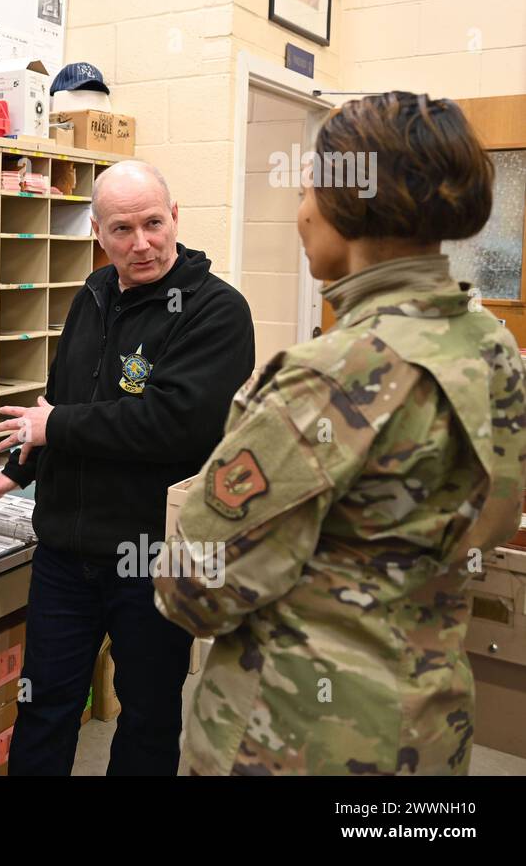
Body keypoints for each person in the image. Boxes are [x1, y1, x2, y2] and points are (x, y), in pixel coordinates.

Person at [154, 91, 526, 775]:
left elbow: (194, 588)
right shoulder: (494, 350)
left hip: (296, 742)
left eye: (305, 192)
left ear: (346, 207)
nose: (299, 215)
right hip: (428, 731)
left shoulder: (331, 375)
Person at [0, 161, 256, 775]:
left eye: (153, 223)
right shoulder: (93, 295)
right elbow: (61, 400)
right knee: (44, 706)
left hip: (154, 554)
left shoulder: (216, 311)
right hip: (66, 553)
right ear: (98, 233)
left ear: (175, 217)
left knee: (146, 715)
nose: (141, 243)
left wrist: (55, 427)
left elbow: (173, 424)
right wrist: (22, 468)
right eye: (122, 229)